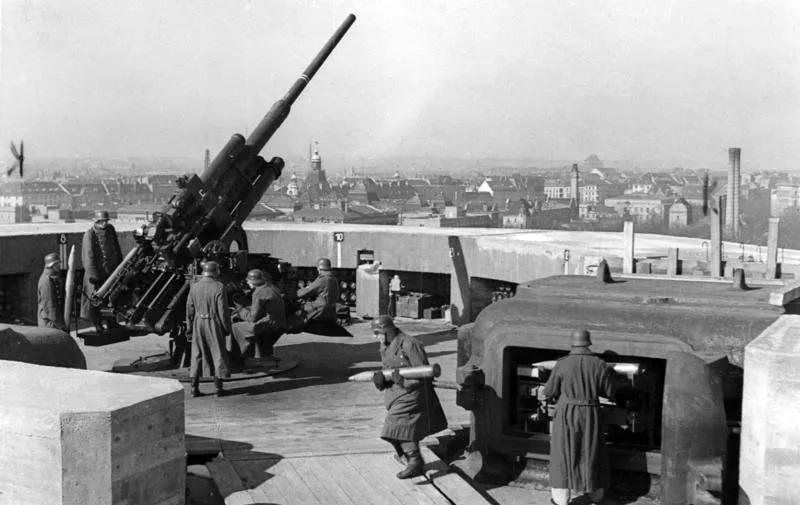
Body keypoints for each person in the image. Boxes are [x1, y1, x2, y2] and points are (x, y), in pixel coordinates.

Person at [543, 329, 616, 505]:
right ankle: (595, 495)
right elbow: (610, 392)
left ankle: (561, 499)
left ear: (573, 343)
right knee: (592, 450)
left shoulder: (562, 364)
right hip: (591, 413)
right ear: (589, 343)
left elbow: (548, 391)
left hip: (566, 413)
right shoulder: (600, 364)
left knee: (562, 453)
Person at [370, 315, 447, 479]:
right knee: (399, 429)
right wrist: (380, 382)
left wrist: (403, 381)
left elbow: (424, 373)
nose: (375, 337)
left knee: (397, 424)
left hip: (413, 394)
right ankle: (408, 456)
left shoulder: (410, 344)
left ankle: (415, 462)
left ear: (387, 330)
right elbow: (388, 370)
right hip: (396, 394)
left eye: (377, 332)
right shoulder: (385, 345)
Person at [186, 261, 231, 397]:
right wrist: (226, 328)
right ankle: (218, 389)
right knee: (217, 353)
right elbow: (222, 311)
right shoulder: (219, 287)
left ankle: (194, 388)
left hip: (198, 322)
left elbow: (189, 309)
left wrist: (189, 328)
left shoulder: (194, 287)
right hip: (213, 323)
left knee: (196, 355)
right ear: (215, 272)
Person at [80, 210, 123, 333]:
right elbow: (89, 257)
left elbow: (116, 249)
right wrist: (93, 275)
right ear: (96, 221)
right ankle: (98, 324)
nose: (104, 224)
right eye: (101, 221)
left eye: (106, 221)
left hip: (111, 272)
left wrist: (120, 267)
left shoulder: (111, 230)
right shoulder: (90, 234)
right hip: (97, 274)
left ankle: (112, 322)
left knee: (112, 299)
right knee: (96, 301)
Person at [231, 269, 287, 359]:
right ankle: (262, 353)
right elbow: (263, 308)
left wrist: (240, 310)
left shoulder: (259, 292)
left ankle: (240, 357)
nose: (247, 282)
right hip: (279, 322)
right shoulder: (270, 287)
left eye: (248, 280)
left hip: (269, 325)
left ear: (253, 281)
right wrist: (247, 308)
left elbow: (253, 318)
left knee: (235, 327)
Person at [296, 257, 339, 324]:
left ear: (319, 268)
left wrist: (294, 294)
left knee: (298, 307)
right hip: (332, 310)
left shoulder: (322, 279)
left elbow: (308, 290)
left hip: (320, 308)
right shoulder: (333, 278)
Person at [37, 252, 67, 331]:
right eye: (57, 264)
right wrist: (60, 325)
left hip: (52, 322)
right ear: (51, 265)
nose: (59, 266)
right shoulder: (46, 281)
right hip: (49, 324)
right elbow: (50, 305)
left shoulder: (51, 278)